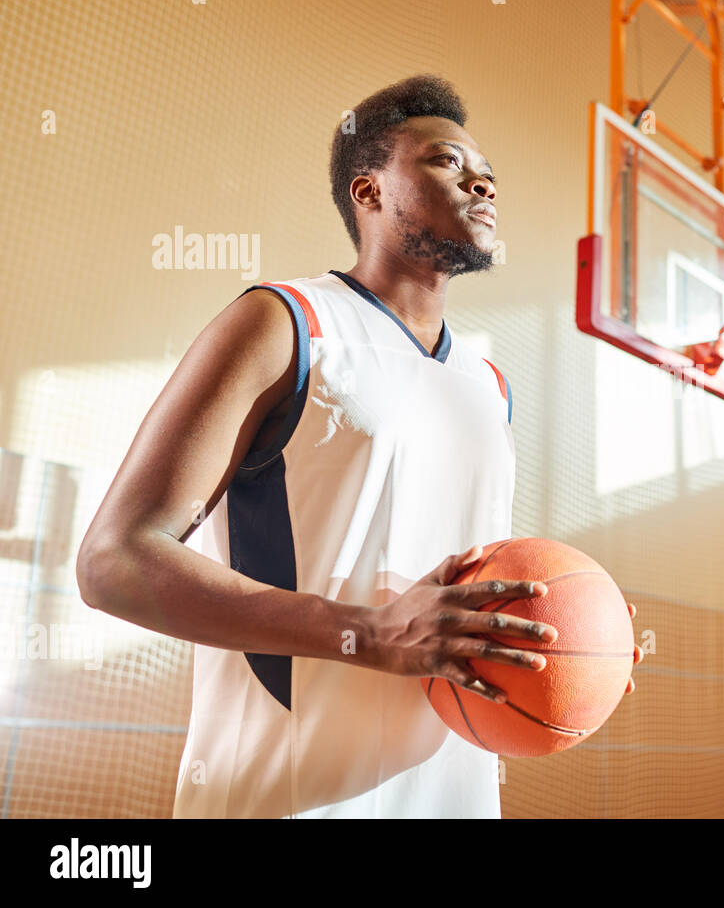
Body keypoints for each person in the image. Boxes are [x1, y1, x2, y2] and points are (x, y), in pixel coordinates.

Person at [75, 74, 641, 818]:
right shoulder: (287, 323)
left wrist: (577, 634)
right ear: (368, 192)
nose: (482, 181)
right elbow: (114, 559)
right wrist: (365, 632)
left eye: (489, 173)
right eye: (446, 161)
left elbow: (463, 588)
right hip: (284, 795)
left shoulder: (489, 385)